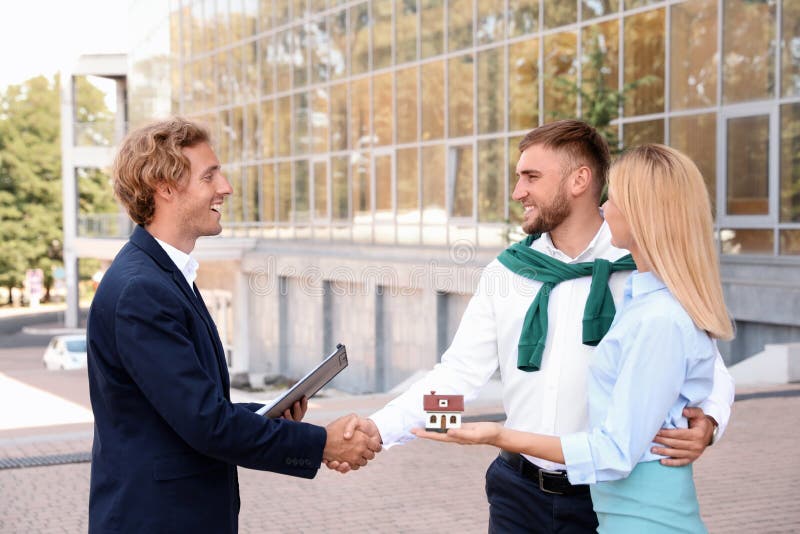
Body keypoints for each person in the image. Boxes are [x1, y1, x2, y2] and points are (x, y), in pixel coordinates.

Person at [332, 120, 734, 533]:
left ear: (580, 180)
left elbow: (705, 366)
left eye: (531, 177)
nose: (517, 192)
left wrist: (710, 423)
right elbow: (460, 378)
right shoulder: (508, 273)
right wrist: (383, 430)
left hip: (607, 496)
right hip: (517, 493)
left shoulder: (641, 266)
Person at [87, 117, 380, 533]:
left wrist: (267, 418)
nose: (225, 187)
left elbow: (182, 408)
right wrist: (321, 443)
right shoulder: (142, 289)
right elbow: (205, 423)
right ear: (165, 187)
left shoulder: (163, 275)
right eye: (209, 175)